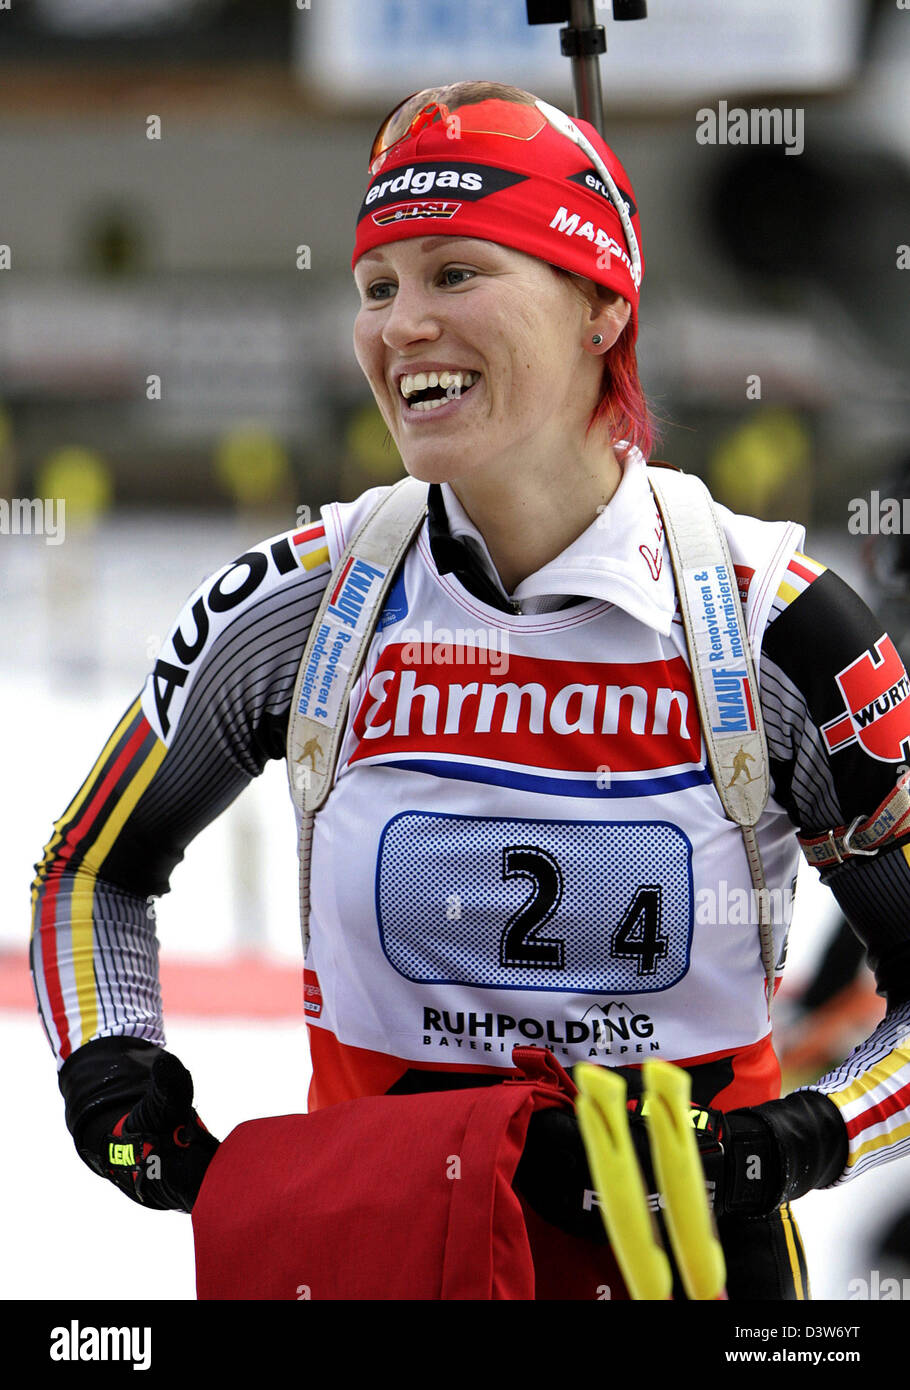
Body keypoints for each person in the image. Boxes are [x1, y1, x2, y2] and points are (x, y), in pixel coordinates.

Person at [30, 81, 910, 1300]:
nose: (400, 325)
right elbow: (89, 871)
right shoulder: (298, 605)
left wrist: (795, 1143)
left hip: (683, 1266)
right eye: (378, 287)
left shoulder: (774, 626)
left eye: (454, 274)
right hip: (380, 1242)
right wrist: (116, 1079)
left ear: (603, 304)